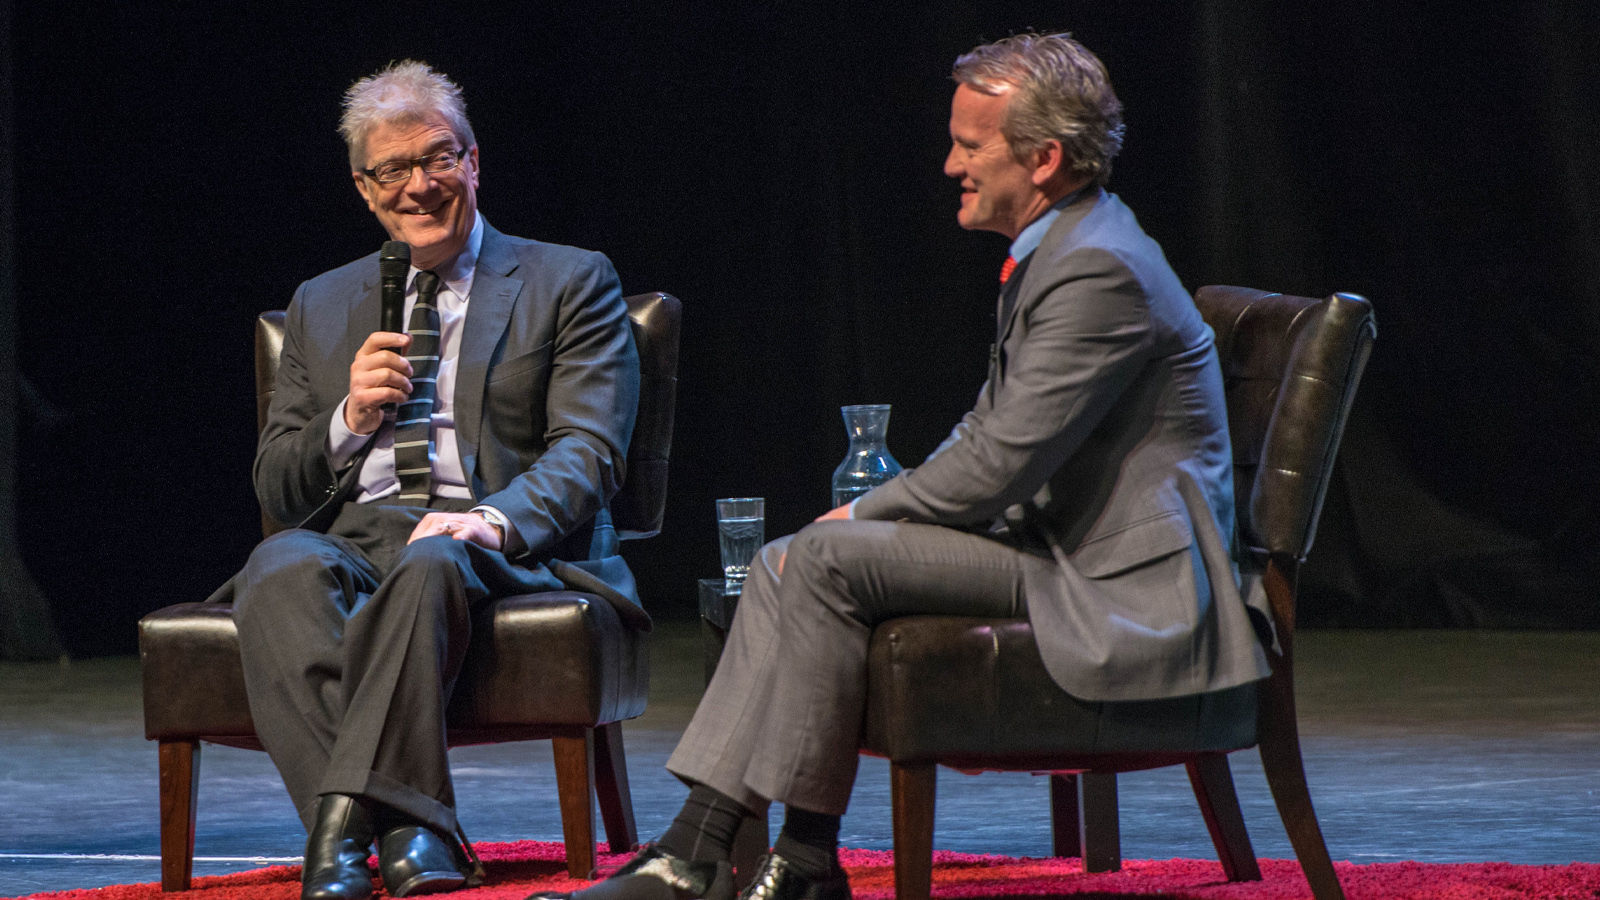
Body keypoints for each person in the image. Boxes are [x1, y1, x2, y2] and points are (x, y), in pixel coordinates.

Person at [549, 32, 1270, 900]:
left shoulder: (1097, 269)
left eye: (971, 145)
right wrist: (875, 514)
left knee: (818, 555)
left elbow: (994, 467)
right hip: (1057, 549)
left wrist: (863, 514)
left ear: (1042, 159)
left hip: (1117, 584)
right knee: (786, 562)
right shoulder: (1069, 246)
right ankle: (739, 855)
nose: (948, 165)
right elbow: (989, 433)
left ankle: (754, 859)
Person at [214, 61, 641, 900]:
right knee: (277, 569)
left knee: (432, 559)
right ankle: (411, 831)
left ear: (473, 161)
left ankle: (339, 843)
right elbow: (279, 486)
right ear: (364, 189)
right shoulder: (322, 302)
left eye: (437, 159)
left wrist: (485, 520)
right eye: (393, 171)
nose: (420, 185)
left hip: (505, 543)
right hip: (363, 537)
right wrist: (349, 419)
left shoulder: (568, 279)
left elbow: (589, 451)